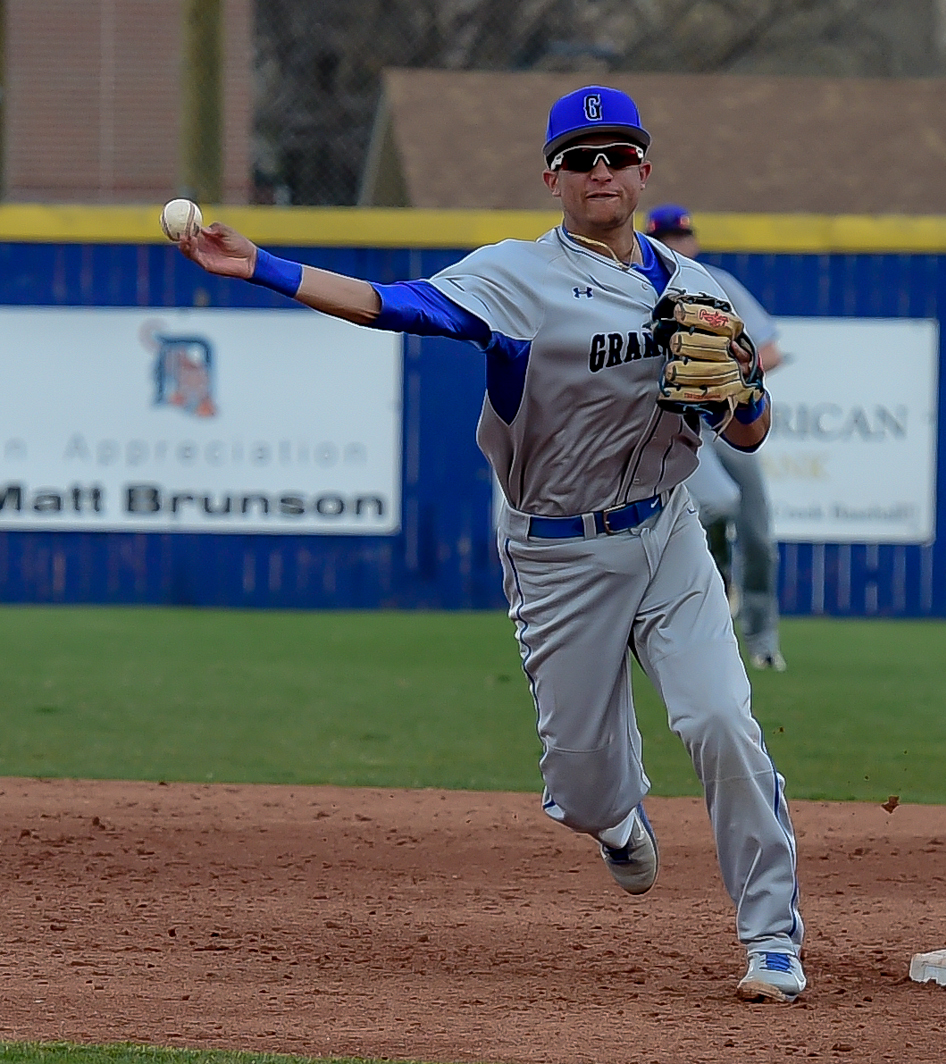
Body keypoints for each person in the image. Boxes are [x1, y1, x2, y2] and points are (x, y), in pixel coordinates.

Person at [175, 85, 806, 1004]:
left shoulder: (698, 290)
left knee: (720, 721)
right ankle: (616, 816)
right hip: (557, 552)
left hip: (666, 534)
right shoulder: (516, 276)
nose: (602, 171)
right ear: (552, 177)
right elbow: (393, 305)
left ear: (645, 170)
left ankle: (772, 938)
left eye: (619, 154)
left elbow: (749, 434)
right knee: (587, 791)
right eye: (582, 158)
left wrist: (742, 396)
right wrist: (262, 265)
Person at [645, 205, 787, 672]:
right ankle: (721, 580)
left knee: (760, 533)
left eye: (682, 236)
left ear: (694, 241)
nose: (676, 244)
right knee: (719, 504)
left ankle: (764, 641)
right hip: (679, 426)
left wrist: (734, 373)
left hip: (725, 418)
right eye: (665, 236)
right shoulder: (638, 288)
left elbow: (767, 350)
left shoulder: (716, 284)